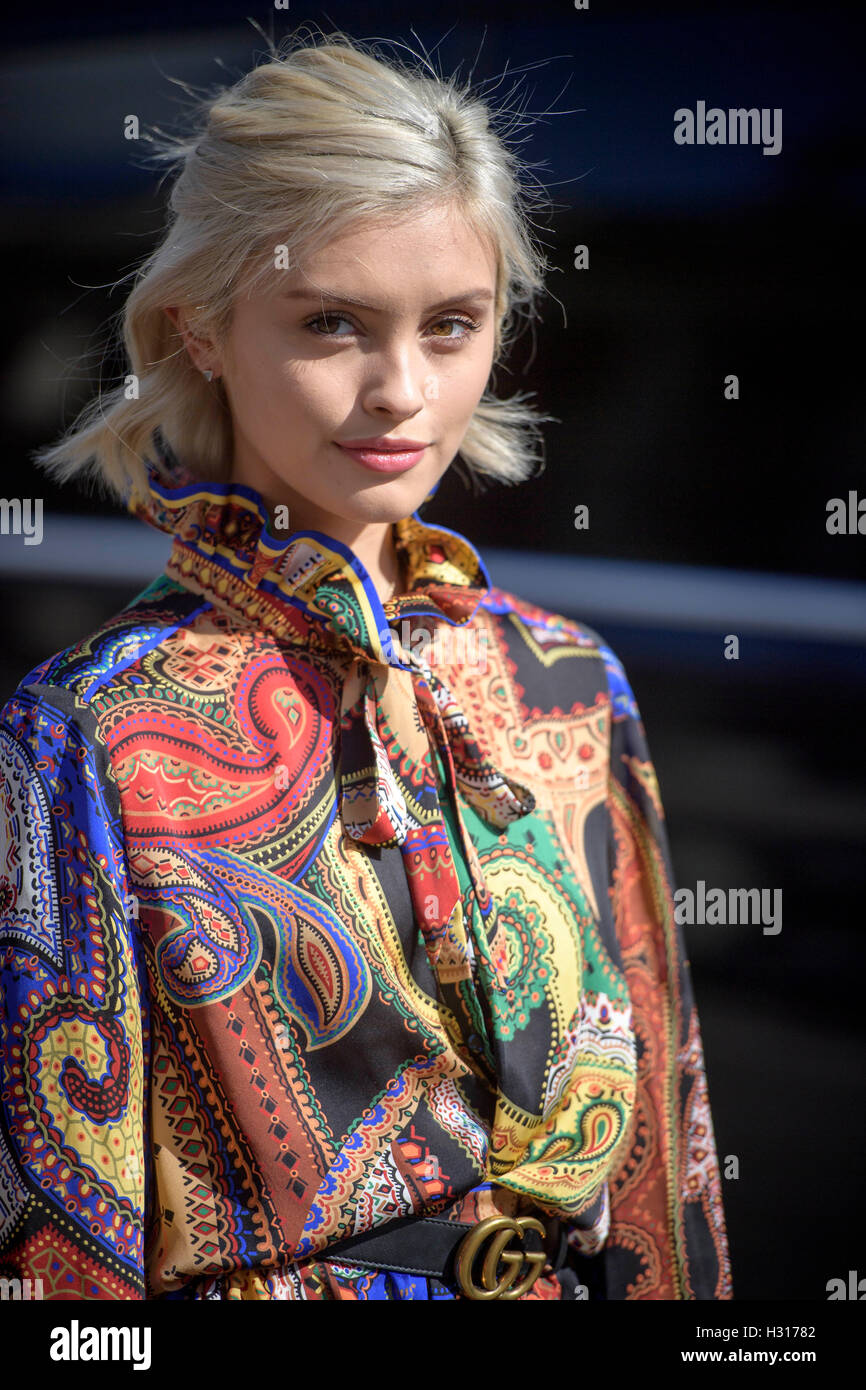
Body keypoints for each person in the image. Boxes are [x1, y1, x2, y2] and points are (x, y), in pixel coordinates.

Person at [0, 28, 732, 1301]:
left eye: (452, 324)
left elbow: (669, 1155)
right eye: (332, 322)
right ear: (204, 328)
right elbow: (60, 1255)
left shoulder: (567, 681)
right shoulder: (90, 732)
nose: (401, 388)